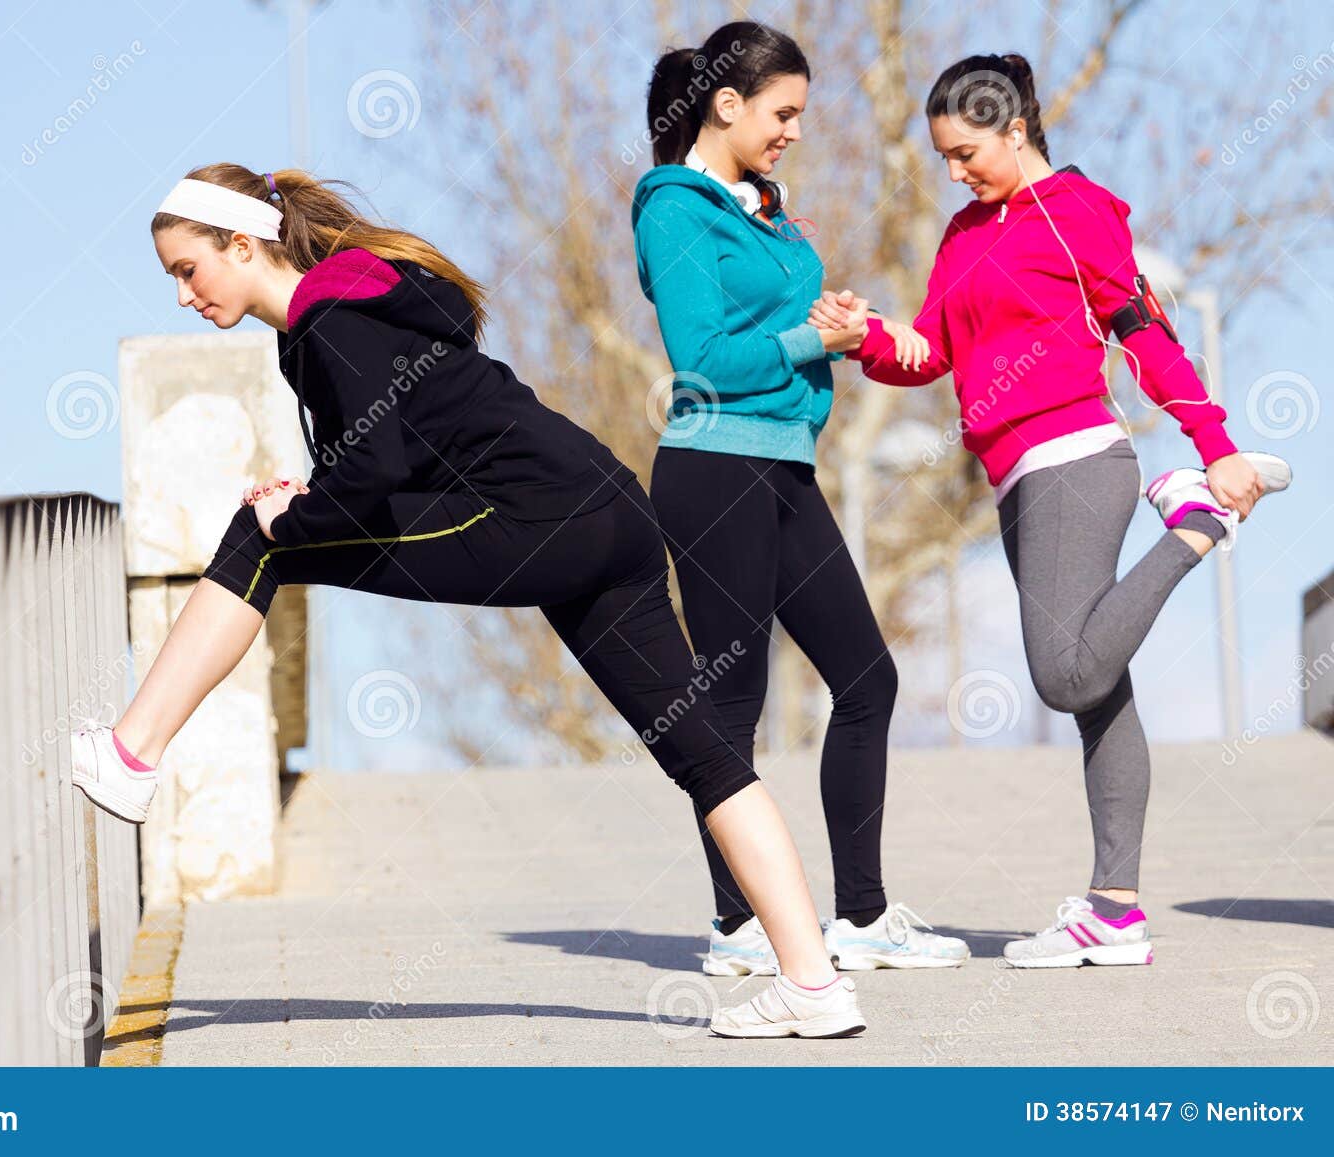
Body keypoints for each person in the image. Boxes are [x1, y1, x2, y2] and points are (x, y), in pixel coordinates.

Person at [71, 163, 867, 1036]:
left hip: (533, 519)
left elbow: (374, 474)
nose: (183, 295)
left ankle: (132, 755)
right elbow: (393, 454)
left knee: (255, 541)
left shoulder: (329, 321)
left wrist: (291, 517)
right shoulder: (361, 303)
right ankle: (813, 982)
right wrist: (306, 502)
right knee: (705, 757)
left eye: (189, 270)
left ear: (243, 242)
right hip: (607, 509)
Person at [808, 54, 1292, 968]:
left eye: (966, 152)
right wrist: (860, 336)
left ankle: (1194, 524)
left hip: (1077, 457)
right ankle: (1114, 910)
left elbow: (1143, 332)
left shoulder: (1079, 214)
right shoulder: (962, 236)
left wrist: (1215, 448)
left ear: (1016, 130)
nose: (955, 171)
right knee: (1098, 689)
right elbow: (930, 354)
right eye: (944, 157)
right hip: (1014, 476)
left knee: (1065, 677)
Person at [632, 21, 970, 975]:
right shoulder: (672, 209)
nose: (792, 131)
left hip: (783, 465)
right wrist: (808, 343)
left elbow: (774, 330)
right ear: (725, 104)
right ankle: (736, 928)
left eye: (800, 117)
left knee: (867, 679)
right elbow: (701, 360)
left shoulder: (762, 209)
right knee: (731, 702)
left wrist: (833, 323)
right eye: (782, 113)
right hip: (714, 469)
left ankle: (859, 916)